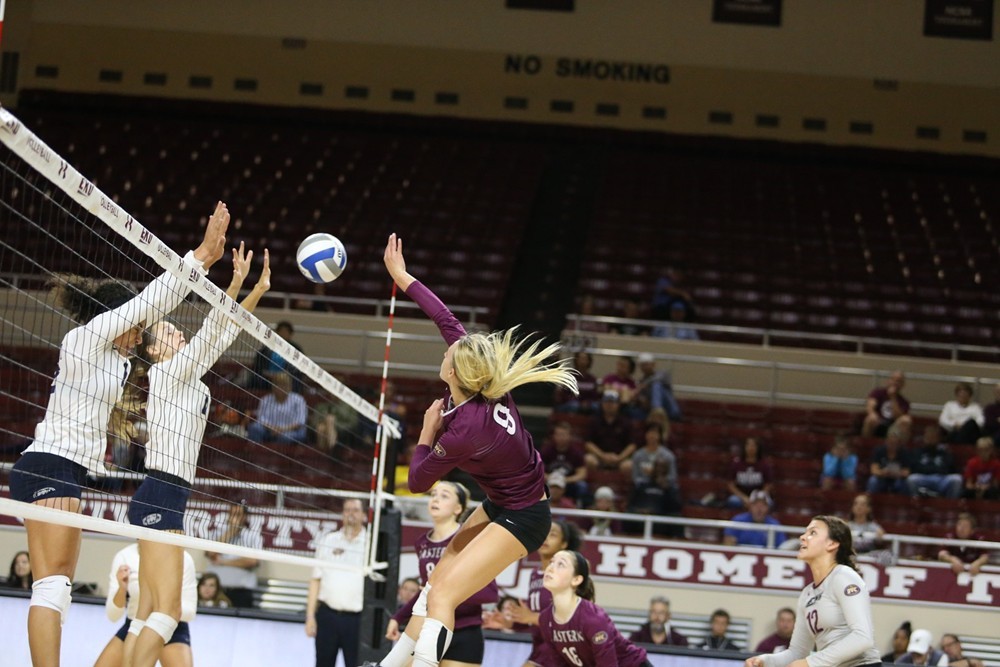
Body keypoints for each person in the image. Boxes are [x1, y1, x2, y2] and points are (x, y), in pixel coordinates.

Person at [7, 201, 229, 666]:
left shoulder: (119, 362)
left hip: (66, 471)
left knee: (58, 589)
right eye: (136, 327)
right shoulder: (85, 339)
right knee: (50, 588)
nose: (140, 334)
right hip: (50, 464)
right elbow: (151, 300)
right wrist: (200, 259)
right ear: (116, 317)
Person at [365, 235, 579, 667]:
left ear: (455, 372)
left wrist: (426, 432)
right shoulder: (481, 384)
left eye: (451, 352)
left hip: (525, 517)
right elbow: (444, 317)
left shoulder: (465, 428)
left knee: (444, 594)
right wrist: (402, 277)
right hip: (503, 502)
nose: (448, 347)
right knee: (435, 583)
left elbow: (418, 481)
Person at [126, 242, 269, 667]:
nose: (178, 333)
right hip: (160, 494)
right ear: (154, 351)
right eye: (169, 333)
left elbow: (224, 332)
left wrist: (255, 290)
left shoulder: (189, 376)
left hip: (165, 495)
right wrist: (235, 283)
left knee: (147, 611)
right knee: (168, 612)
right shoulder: (165, 372)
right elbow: (210, 332)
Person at [385, 483, 498, 667]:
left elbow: (491, 593)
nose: (436, 499)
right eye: (433, 494)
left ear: (458, 508)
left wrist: (447, 591)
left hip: (464, 632)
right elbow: (426, 590)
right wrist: (398, 617)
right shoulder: (422, 542)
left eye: (444, 496)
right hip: (428, 628)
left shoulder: (469, 538)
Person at [744, 515, 882, 667]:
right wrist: (764, 660)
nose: (803, 537)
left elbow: (863, 637)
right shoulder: (807, 593)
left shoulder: (844, 576)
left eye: (813, 533)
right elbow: (797, 653)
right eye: (805, 532)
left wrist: (811, 662)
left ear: (831, 544)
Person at [537, 550, 652, 667]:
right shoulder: (545, 619)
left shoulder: (592, 618)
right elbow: (559, 664)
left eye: (561, 564)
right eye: (551, 562)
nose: (550, 568)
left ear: (576, 580)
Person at [93, 542, 197, 667]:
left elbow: (190, 612)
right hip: (137, 623)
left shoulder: (184, 558)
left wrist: (162, 606)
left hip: (173, 627)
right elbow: (113, 616)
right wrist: (122, 589)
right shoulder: (125, 556)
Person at [502, 520, 583, 667]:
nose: (546, 538)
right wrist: (511, 624)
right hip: (539, 647)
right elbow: (534, 620)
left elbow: (570, 619)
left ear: (564, 544)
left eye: (553, 535)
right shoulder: (535, 574)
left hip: (560, 648)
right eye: (544, 533)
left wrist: (532, 617)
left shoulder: (566, 575)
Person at [306, 498, 367, 667]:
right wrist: (310, 616)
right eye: (347, 510)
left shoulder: (371, 543)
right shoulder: (328, 540)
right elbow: (315, 580)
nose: (351, 514)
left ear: (364, 515)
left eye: (355, 510)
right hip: (327, 616)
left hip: (357, 620)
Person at [627, 423, 682, 536]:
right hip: (643, 490)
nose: (652, 436)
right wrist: (649, 479)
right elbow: (635, 478)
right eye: (650, 432)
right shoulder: (638, 455)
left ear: (660, 436)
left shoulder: (668, 456)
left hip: (663, 490)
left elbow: (672, 478)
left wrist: (655, 476)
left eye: (655, 433)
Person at [206, 502, 262, 608]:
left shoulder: (253, 536)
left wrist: (222, 562)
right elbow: (211, 553)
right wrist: (230, 532)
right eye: (232, 514)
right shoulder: (216, 533)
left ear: (245, 517)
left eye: (238, 514)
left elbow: (252, 561)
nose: (234, 517)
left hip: (241, 593)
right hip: (217, 591)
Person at [583, 390, 638, 474]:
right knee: (588, 459)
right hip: (599, 457)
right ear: (602, 404)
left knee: (628, 465)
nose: (609, 405)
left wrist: (619, 458)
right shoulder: (594, 421)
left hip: (620, 459)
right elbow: (588, 443)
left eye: (612, 402)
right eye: (607, 402)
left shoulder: (626, 422)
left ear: (618, 404)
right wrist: (602, 456)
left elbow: (632, 445)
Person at [247, 371, 308, 445]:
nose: (280, 387)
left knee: (285, 437)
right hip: (269, 430)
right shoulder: (266, 399)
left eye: (284, 385)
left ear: (290, 386)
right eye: (277, 384)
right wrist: (272, 429)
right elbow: (261, 419)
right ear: (272, 386)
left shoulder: (298, 400)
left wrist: (282, 430)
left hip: (292, 431)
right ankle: (255, 451)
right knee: (254, 428)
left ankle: (275, 453)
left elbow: (300, 421)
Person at [907, 425, 963, 498]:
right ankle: (915, 501)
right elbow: (916, 468)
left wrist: (928, 469)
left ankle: (951, 503)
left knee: (956, 479)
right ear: (924, 438)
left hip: (941, 479)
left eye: (933, 437)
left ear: (938, 439)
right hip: (924, 478)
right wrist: (932, 469)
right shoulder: (918, 452)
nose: (930, 439)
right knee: (912, 479)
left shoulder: (945, 453)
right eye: (928, 437)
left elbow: (946, 469)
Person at [540, 422, 588, 502]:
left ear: (570, 436)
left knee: (582, 486)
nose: (561, 438)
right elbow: (538, 470)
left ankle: (577, 504)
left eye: (563, 435)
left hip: (568, 482)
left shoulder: (576, 453)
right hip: (550, 481)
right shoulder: (546, 450)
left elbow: (582, 474)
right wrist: (550, 478)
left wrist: (565, 480)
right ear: (554, 436)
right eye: (558, 435)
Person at [861, 371, 912, 438]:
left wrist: (893, 397)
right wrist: (872, 414)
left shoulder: (904, 402)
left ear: (902, 385)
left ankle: (899, 444)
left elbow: (897, 416)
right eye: (893, 379)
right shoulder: (877, 392)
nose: (895, 382)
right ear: (888, 381)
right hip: (877, 422)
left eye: (898, 381)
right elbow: (870, 406)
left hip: (893, 426)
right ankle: (865, 442)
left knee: (906, 420)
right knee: (870, 419)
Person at [936, 512, 989, 577]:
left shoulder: (978, 539)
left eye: (965, 526)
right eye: (959, 524)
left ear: (972, 530)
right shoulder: (950, 537)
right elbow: (942, 554)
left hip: (972, 575)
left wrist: (978, 563)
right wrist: (953, 560)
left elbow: (985, 557)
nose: (961, 528)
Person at [726, 437, 773, 508]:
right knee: (732, 501)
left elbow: (768, 484)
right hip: (741, 496)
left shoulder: (764, 464)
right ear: (744, 447)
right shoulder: (736, 463)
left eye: (753, 445)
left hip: (758, 496)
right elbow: (730, 484)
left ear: (758, 448)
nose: (751, 448)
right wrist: (744, 498)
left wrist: (758, 498)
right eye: (748, 445)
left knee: (769, 504)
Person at [634, 353, 682, 421]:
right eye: (642, 365)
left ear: (653, 364)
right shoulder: (640, 382)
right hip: (650, 409)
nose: (645, 367)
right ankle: (656, 412)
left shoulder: (663, 374)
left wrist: (644, 385)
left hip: (670, 410)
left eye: (646, 364)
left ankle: (656, 411)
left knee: (656, 385)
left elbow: (658, 379)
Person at [865, 427, 912, 495]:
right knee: (873, 480)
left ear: (898, 443)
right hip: (882, 477)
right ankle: (869, 498)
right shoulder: (879, 451)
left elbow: (906, 472)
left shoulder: (904, 453)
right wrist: (883, 472)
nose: (892, 444)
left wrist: (897, 474)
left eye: (895, 443)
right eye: (890, 442)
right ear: (886, 441)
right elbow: (874, 470)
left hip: (897, 478)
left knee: (906, 483)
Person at [553, 350, 601, 415]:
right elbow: (564, 395)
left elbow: (594, 396)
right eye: (581, 358)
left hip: (587, 404)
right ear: (576, 360)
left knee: (596, 406)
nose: (582, 361)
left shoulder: (592, 379)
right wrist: (579, 402)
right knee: (574, 405)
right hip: (570, 403)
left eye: (585, 359)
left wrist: (588, 402)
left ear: (589, 361)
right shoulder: (570, 377)